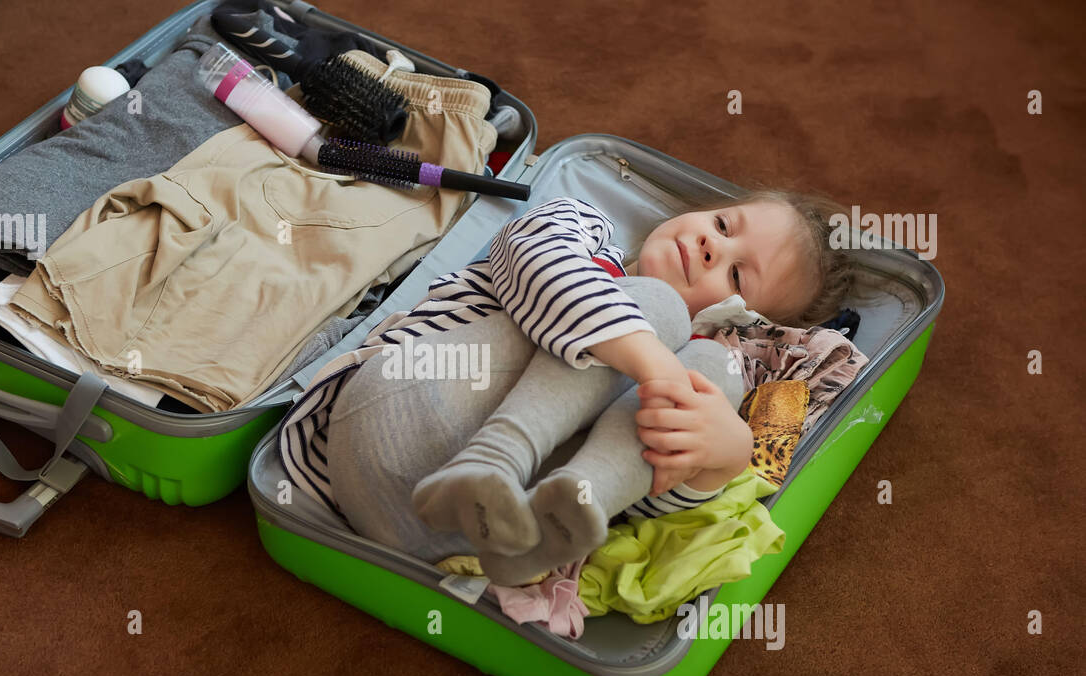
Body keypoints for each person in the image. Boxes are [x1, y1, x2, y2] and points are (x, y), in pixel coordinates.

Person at [280, 194, 854, 585]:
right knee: (657, 306)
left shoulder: (704, 352)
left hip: (481, 541)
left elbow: (648, 503)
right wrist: (653, 364)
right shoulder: (582, 228)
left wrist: (721, 459)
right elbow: (538, 264)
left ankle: (573, 505)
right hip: (391, 418)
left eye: (735, 274)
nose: (712, 247)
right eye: (724, 225)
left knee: (714, 373)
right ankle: (494, 457)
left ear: (738, 314)